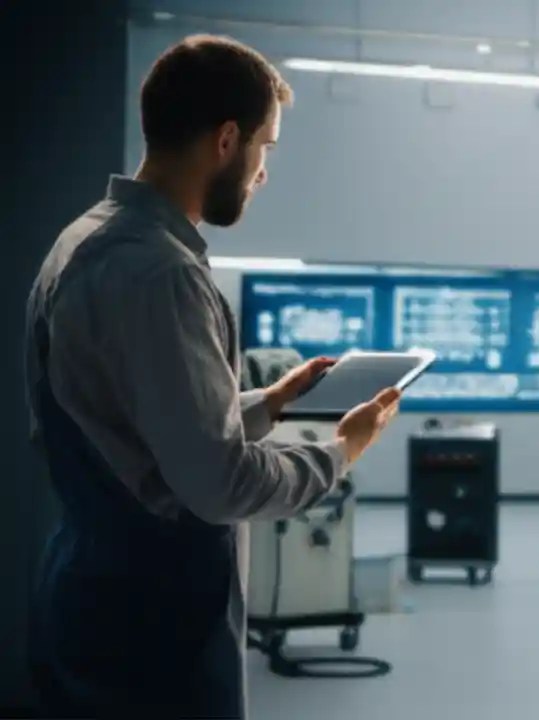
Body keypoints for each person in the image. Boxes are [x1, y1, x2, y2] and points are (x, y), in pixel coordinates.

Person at [23, 34, 400, 718]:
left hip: (90, 600)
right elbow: (220, 484)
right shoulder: (164, 275)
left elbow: (140, 425)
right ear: (228, 140)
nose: (264, 172)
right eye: (267, 147)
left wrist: (269, 402)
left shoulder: (83, 241)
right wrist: (341, 449)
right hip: (155, 630)